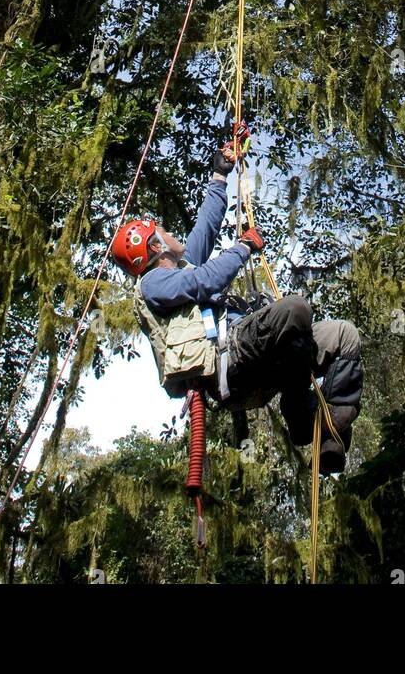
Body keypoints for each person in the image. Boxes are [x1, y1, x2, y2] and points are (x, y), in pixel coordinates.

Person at [112, 128, 363, 474]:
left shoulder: (181, 267)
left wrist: (220, 172)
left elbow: (208, 224)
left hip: (258, 360)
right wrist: (244, 247)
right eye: (162, 230)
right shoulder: (154, 283)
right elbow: (205, 281)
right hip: (231, 361)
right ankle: (302, 416)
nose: (169, 232)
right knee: (294, 310)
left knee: (343, 336)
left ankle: (329, 436)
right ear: (156, 246)